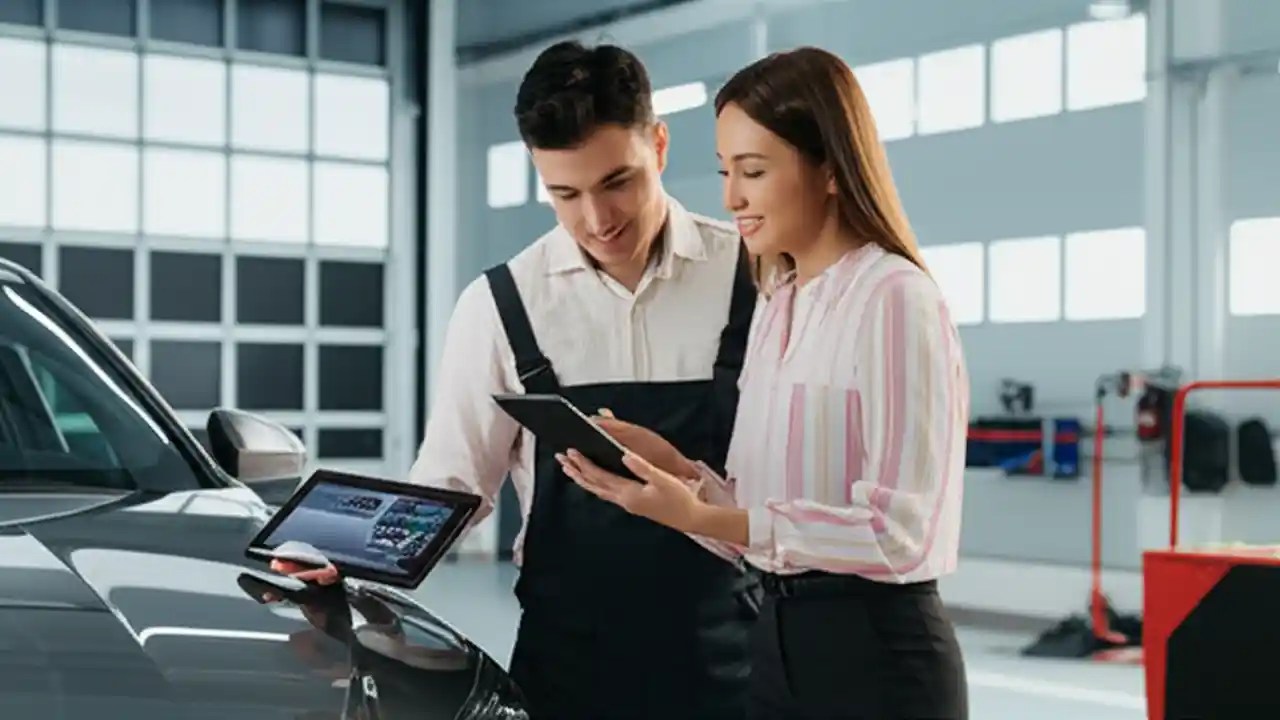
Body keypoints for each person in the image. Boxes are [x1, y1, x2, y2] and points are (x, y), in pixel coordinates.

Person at [559, 46, 971, 719]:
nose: (731, 198)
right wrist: (677, 477)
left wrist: (707, 515)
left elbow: (903, 531)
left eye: (753, 171)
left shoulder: (894, 297)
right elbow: (759, 519)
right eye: (725, 171)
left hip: (877, 659)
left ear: (831, 168)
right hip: (775, 645)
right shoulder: (779, 298)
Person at [409, 40, 757, 720]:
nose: (597, 220)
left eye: (616, 182)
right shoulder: (501, 304)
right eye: (564, 194)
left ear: (658, 146)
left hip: (736, 670)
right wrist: (359, 562)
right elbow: (451, 484)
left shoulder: (754, 274)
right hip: (566, 675)